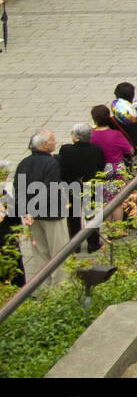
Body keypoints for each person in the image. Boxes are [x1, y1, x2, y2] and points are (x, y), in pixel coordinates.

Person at [15, 130, 70, 291]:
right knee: (60, 251)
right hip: (52, 214)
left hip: (32, 216)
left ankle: (42, 290)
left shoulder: (23, 163)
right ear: (45, 145)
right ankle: (61, 289)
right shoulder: (51, 163)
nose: (55, 142)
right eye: (53, 140)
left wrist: (26, 211)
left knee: (40, 252)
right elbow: (50, 188)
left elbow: (18, 188)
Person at [58, 123, 104, 253]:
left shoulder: (66, 150)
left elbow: (62, 167)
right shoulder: (96, 149)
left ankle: (76, 245)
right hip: (91, 186)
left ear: (76, 137)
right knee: (92, 215)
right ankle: (93, 243)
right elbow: (101, 165)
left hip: (73, 187)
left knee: (73, 217)